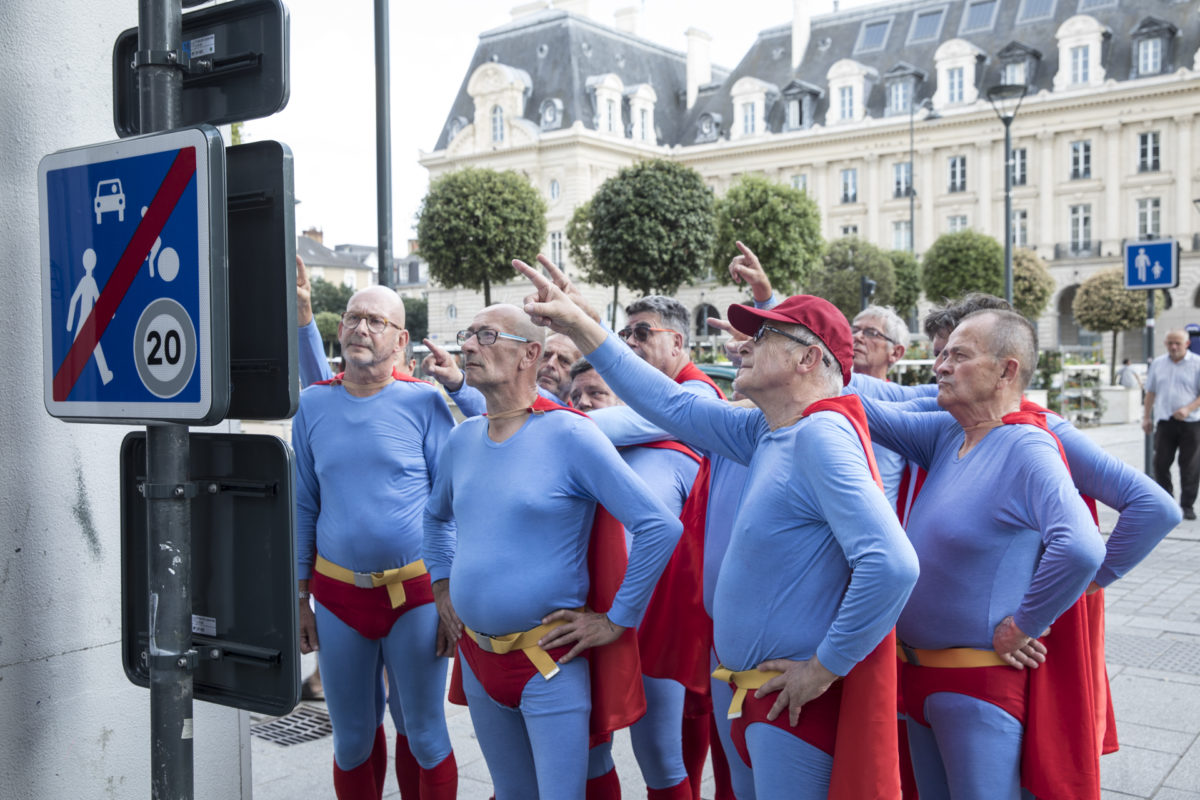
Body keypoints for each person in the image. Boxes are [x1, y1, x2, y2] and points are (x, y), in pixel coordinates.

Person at [516, 259, 919, 799]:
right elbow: (667, 400)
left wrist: (823, 668)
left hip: (793, 706)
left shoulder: (820, 434)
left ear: (808, 358)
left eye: (764, 334)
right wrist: (581, 323)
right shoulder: (770, 429)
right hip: (758, 696)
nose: (744, 344)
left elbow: (893, 565)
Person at [422, 303, 682, 800]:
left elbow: (657, 527)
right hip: (479, 657)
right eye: (468, 334)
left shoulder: (571, 434)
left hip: (549, 663)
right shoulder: (462, 439)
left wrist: (617, 619)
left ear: (530, 355)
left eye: (486, 335)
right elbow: (435, 518)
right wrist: (440, 583)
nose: (469, 346)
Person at [859, 309, 1106, 800]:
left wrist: (1027, 621)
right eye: (943, 354)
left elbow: (1081, 547)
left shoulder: (1027, 445)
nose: (941, 366)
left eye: (960, 355)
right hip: (921, 678)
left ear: (1007, 370)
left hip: (977, 687)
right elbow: (860, 408)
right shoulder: (948, 433)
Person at [293, 285, 458, 799]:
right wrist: (300, 597)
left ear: (401, 338)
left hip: (416, 598)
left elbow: (449, 505)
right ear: (340, 328)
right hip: (339, 600)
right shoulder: (313, 404)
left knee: (425, 735)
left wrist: (449, 592)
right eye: (353, 318)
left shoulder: (425, 402)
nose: (362, 328)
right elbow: (302, 504)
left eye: (376, 321)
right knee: (352, 741)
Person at [850, 305, 909, 507]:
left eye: (871, 333)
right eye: (854, 330)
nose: (857, 337)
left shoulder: (905, 404)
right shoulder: (827, 391)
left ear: (896, 352)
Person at [1143, 330, 1200, 520]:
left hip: (1191, 423)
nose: (1173, 347)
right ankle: (1167, 503)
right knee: (1160, 464)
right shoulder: (1158, 364)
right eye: (1170, 343)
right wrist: (1146, 417)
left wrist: (1188, 409)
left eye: (1177, 343)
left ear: (1187, 344)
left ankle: (1187, 506)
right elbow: (1150, 392)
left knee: (1190, 466)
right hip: (1165, 421)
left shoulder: (1197, 364)